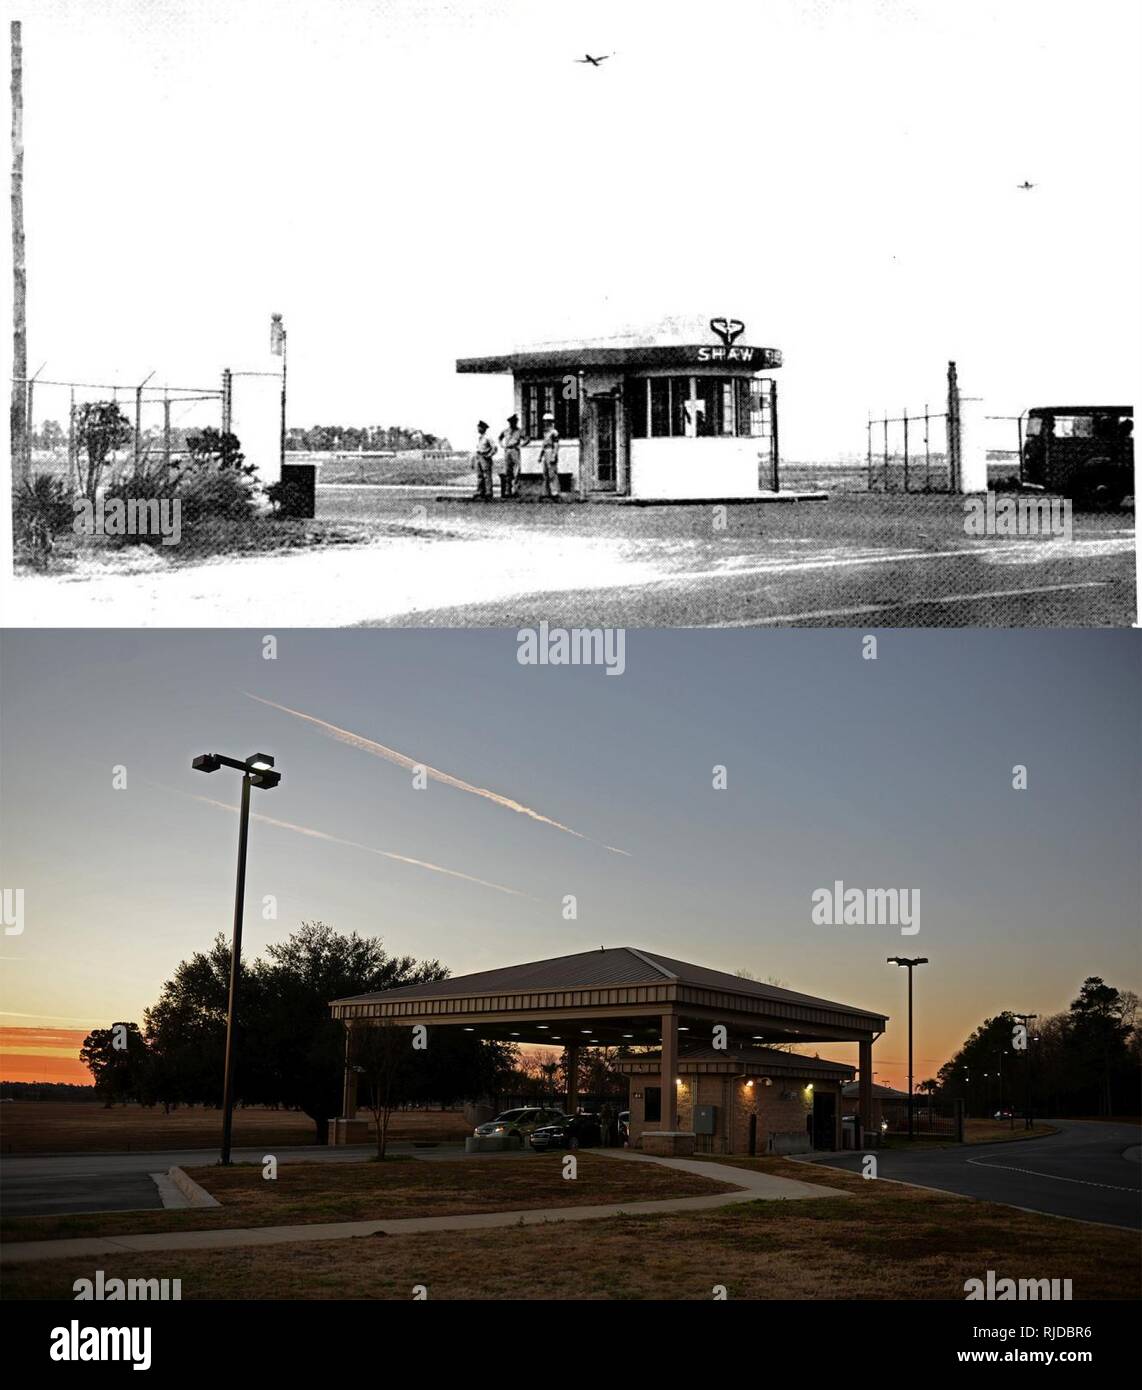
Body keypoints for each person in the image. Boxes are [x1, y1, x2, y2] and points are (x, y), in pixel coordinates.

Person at [499, 413, 524, 498]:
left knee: (516, 470)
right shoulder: (506, 431)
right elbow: (500, 437)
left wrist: (521, 445)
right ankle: (507, 491)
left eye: (514, 422)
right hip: (507, 450)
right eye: (511, 422)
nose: (513, 423)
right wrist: (502, 445)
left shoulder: (519, 431)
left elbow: (527, 438)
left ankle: (515, 490)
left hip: (515, 450)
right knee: (507, 471)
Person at [538, 412, 560, 500]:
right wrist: (540, 455)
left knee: (552, 473)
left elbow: (556, 444)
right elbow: (544, 445)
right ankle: (546, 492)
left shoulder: (554, 432)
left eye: (547, 421)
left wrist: (554, 455)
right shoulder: (545, 433)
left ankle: (555, 493)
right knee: (545, 473)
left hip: (551, 451)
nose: (545, 423)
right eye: (544, 421)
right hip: (546, 451)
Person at [473, 420, 495, 501]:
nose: (478, 429)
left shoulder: (488, 437)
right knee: (480, 475)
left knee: (487, 475)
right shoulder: (480, 438)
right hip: (479, 456)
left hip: (485, 457)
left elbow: (494, 448)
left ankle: (488, 492)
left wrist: (489, 455)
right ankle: (480, 491)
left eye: (479, 427)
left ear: (483, 428)